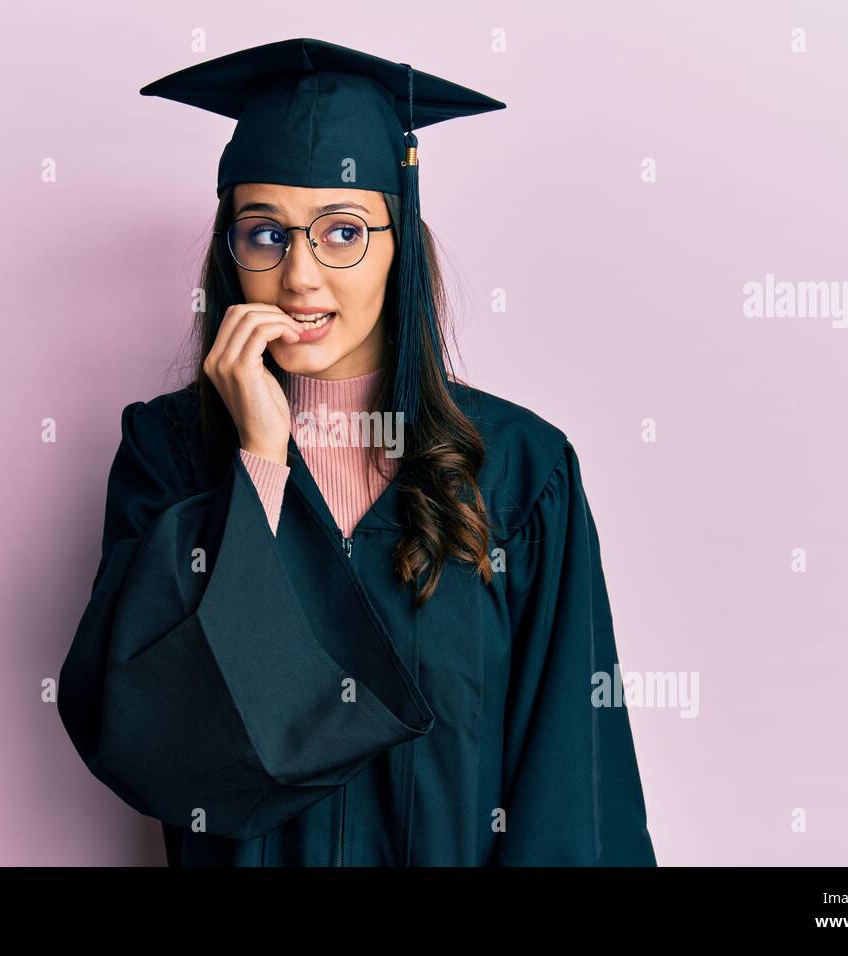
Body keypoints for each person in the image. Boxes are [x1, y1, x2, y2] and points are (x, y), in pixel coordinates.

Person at [57, 37, 657, 866]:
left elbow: (569, 779)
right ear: (230, 253)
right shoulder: (169, 455)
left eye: (342, 232)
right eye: (264, 233)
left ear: (399, 243)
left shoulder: (521, 470)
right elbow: (153, 738)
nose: (300, 275)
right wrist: (262, 461)